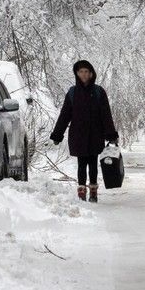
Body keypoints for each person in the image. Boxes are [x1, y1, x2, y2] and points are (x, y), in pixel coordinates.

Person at [50, 60, 118, 202]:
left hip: (95, 133)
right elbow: (65, 115)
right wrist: (57, 134)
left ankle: (93, 191)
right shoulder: (72, 93)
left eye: (86, 71)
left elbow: (106, 114)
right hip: (78, 134)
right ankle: (81, 191)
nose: (84, 74)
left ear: (91, 73)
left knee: (93, 162)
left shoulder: (99, 92)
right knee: (81, 163)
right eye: (81, 72)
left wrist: (110, 135)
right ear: (76, 73)